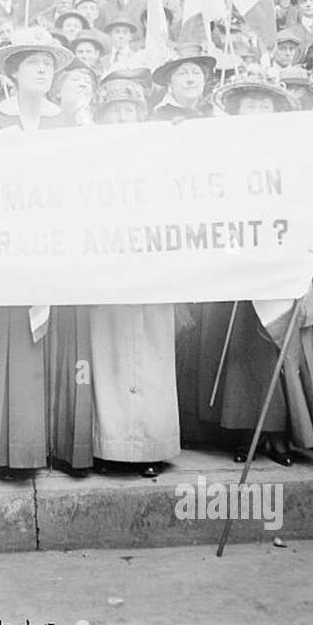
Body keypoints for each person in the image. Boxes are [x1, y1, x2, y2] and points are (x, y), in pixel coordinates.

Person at [50, 80, 181, 478]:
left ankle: (152, 447)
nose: (123, 118)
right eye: (114, 112)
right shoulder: (91, 157)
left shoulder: (161, 157)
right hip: (106, 269)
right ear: (103, 118)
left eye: (129, 110)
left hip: (150, 269)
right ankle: (112, 447)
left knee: (152, 357)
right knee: (109, 359)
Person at [197, 77, 313, 466]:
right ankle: (242, 430)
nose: (255, 112)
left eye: (263, 105)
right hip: (234, 262)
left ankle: (279, 433)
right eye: (248, 105)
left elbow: (307, 202)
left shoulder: (293, 154)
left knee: (276, 345)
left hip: (279, 260)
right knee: (239, 349)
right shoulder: (219, 153)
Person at [0, 29, 74, 476]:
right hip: (4, 249)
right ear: (12, 71)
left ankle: (48, 444)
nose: (41, 70)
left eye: (48, 64)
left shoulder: (66, 121)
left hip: (54, 244)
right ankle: (8, 448)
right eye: (31, 62)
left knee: (52, 342)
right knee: (8, 340)